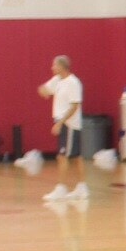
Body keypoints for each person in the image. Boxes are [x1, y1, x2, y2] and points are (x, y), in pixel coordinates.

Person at [39, 55, 87, 203]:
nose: (52, 67)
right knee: (76, 157)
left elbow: (74, 106)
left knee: (62, 156)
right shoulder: (57, 80)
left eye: (54, 65)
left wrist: (60, 123)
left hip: (70, 124)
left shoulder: (73, 82)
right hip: (63, 123)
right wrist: (43, 91)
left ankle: (61, 188)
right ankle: (82, 187)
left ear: (62, 66)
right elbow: (44, 91)